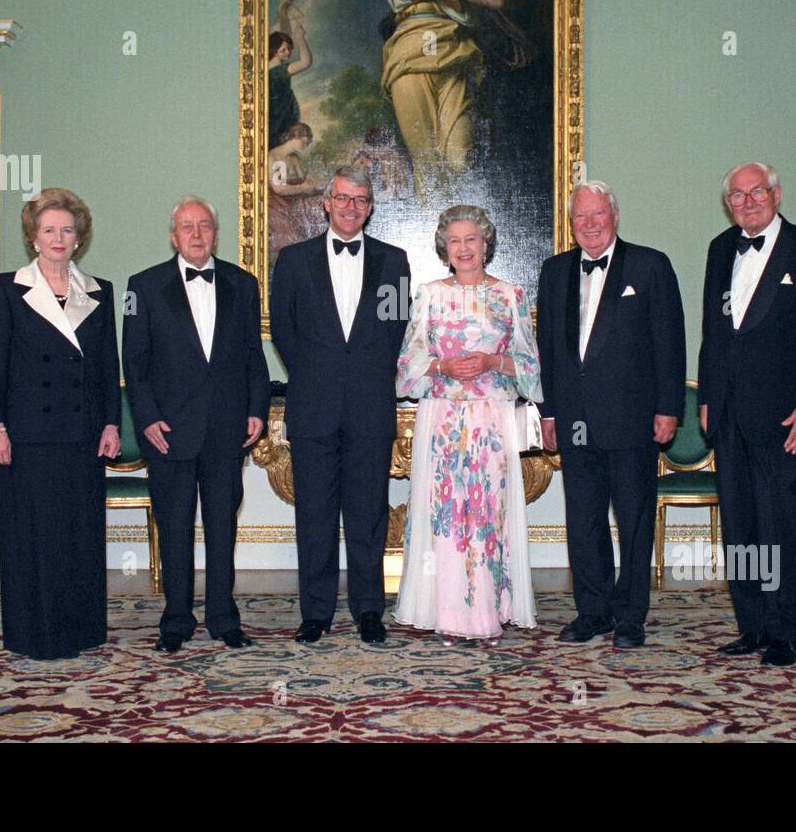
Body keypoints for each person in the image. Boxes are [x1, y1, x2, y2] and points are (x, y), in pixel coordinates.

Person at [698, 162, 796, 667]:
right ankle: (754, 625)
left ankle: (788, 628)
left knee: (781, 521)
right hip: (727, 415)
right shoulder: (721, 250)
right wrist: (706, 400)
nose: (747, 202)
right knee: (740, 524)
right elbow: (712, 336)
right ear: (728, 203)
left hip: (785, 417)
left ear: (776, 193)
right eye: (736, 196)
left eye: (755, 192)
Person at [536, 181, 686, 648]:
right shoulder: (555, 270)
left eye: (597, 214)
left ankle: (630, 616)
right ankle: (593, 611)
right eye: (581, 216)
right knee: (583, 520)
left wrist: (668, 409)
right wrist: (548, 413)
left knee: (635, 520)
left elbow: (670, 341)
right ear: (571, 222)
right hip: (574, 419)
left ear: (615, 216)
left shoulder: (650, 265)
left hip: (633, 418)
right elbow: (548, 351)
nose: (590, 223)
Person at [269, 166, 411, 645]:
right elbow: (284, 334)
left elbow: (397, 330)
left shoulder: (395, 262)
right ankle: (316, 612)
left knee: (369, 512)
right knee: (314, 513)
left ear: (370, 207)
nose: (351, 207)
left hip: (371, 406)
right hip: (313, 405)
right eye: (343, 198)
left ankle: (370, 609)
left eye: (361, 200)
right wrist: (319, 375)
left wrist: (362, 375)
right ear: (326, 203)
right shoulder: (292, 260)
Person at [121, 197, 270, 653]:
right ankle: (176, 619)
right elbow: (135, 361)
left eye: (205, 225)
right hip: (167, 432)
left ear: (215, 233)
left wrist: (258, 409)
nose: (197, 234)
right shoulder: (142, 286)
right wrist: (146, 419)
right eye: (188, 226)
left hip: (226, 429)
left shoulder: (242, 284)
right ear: (173, 235)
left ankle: (224, 618)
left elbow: (253, 358)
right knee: (175, 526)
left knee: (222, 527)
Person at [0, 187, 121, 660]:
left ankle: (81, 628)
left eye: (67, 229)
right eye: (49, 230)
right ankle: (35, 633)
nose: (59, 237)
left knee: (79, 534)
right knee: (35, 537)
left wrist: (110, 423)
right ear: (33, 238)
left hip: (82, 437)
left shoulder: (99, 290)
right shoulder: (7, 288)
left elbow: (106, 367)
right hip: (29, 437)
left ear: (79, 237)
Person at [394, 205, 541, 642]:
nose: (463, 248)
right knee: (445, 516)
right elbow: (405, 370)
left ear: (486, 243)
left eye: (471, 239)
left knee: (486, 515)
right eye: (455, 240)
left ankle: (486, 609)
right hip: (441, 422)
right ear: (444, 247)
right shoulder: (429, 294)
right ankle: (446, 610)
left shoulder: (511, 296)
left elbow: (533, 368)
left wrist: (495, 361)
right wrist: (441, 367)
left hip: (491, 421)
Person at [380, 0, 502, 198]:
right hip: (410, 69)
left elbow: (495, 0)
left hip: (450, 66)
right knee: (427, 160)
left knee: (460, 159)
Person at [268, 122, 327, 261]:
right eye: (305, 141)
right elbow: (279, 189)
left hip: (295, 199)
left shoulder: (294, 158)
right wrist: (304, 187)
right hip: (278, 203)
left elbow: (303, 181)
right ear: (295, 137)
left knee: (322, 202)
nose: (306, 145)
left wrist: (315, 185)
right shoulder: (276, 157)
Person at [268, 0, 313, 150]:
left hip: (279, 117)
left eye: (289, 48)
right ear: (275, 50)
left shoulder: (271, 67)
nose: (288, 52)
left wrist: (282, 12)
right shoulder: (278, 71)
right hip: (280, 119)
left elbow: (284, 33)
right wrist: (300, 39)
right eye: (284, 49)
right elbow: (306, 62)